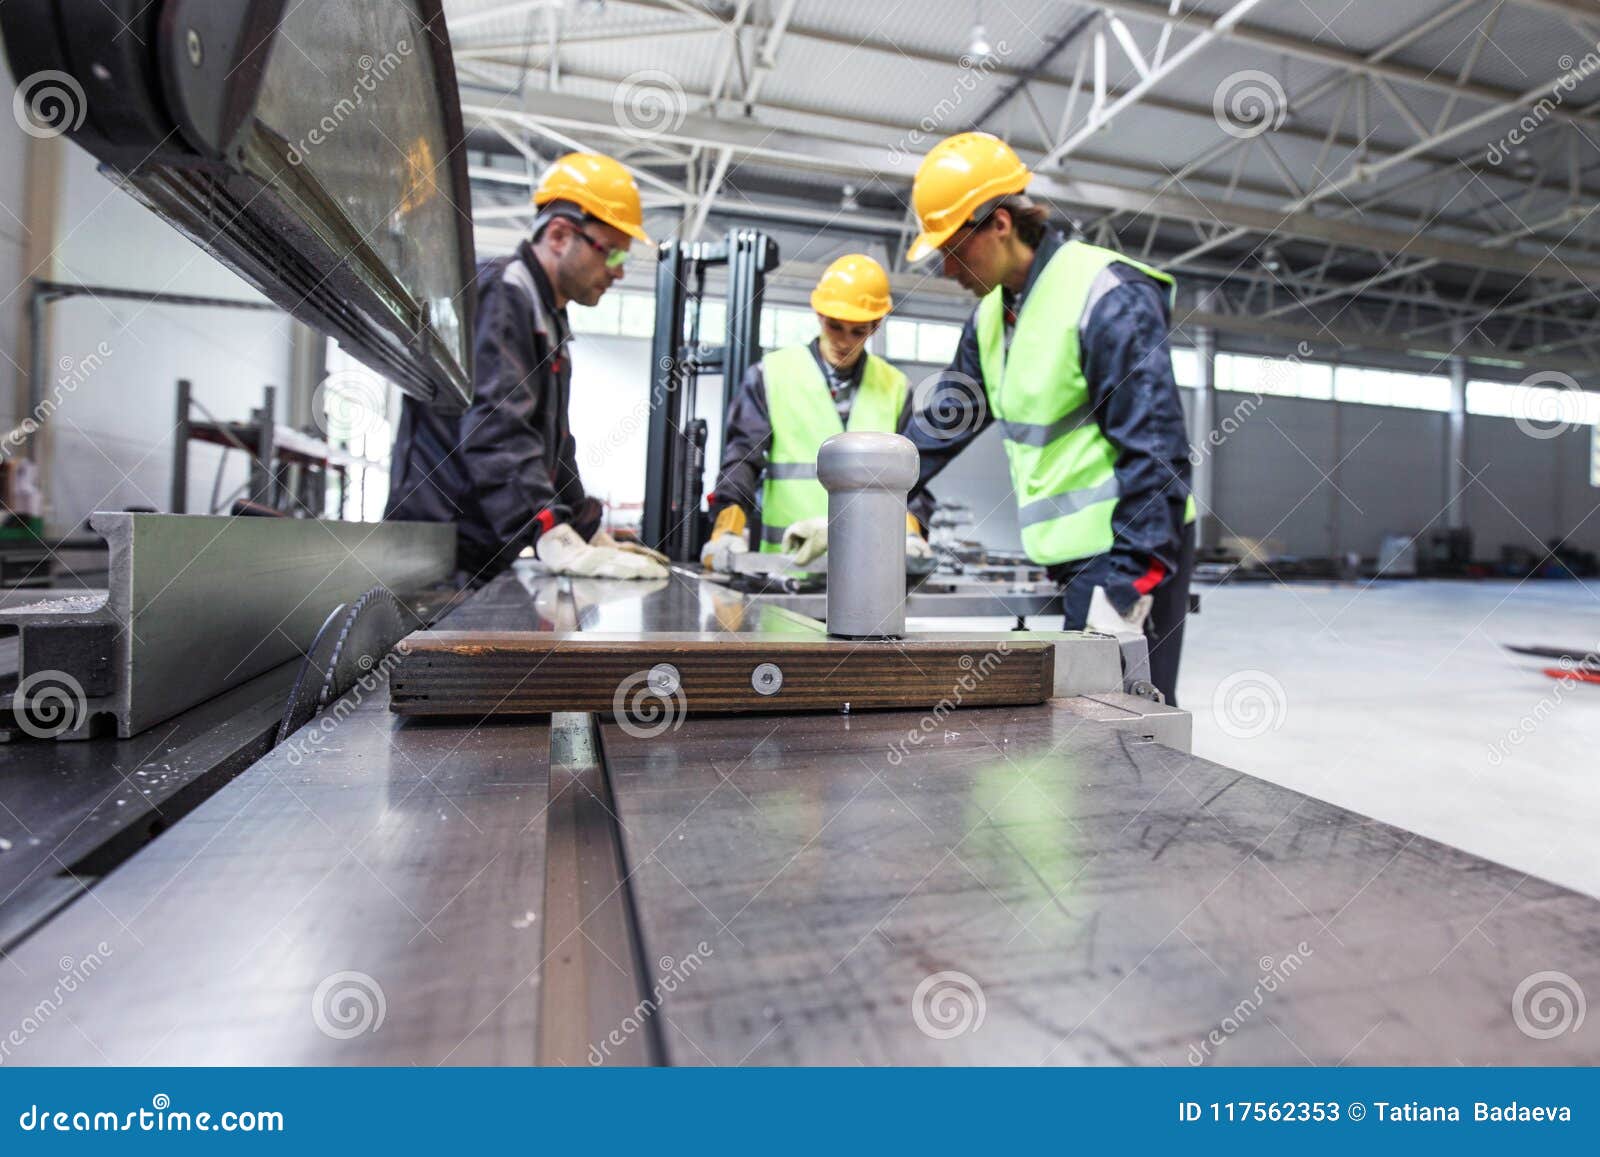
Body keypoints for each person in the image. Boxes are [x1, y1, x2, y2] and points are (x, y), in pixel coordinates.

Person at [902, 132, 1195, 705]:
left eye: (953, 251)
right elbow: (942, 423)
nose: (947, 271)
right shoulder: (992, 319)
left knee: (1128, 732)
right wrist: (872, 488)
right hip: (1072, 560)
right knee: (1087, 729)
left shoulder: (1105, 295)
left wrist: (1129, 585)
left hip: (1129, 554)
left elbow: (1158, 454)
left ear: (1000, 225)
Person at [385, 152, 668, 585]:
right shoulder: (501, 296)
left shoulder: (547, 314)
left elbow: (553, 446)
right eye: (611, 255)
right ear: (559, 235)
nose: (620, 273)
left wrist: (587, 531)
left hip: (478, 551)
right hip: (439, 556)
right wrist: (548, 529)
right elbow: (497, 430)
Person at [702, 253, 934, 570]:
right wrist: (726, 531)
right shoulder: (772, 375)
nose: (844, 342)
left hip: (869, 571)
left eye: (858, 331)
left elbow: (912, 477)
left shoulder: (896, 387)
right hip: (787, 566)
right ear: (818, 313)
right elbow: (742, 459)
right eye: (835, 326)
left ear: (876, 325)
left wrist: (911, 535)